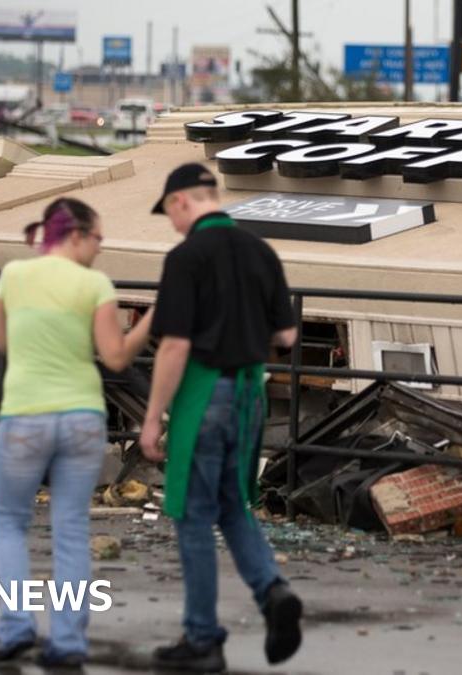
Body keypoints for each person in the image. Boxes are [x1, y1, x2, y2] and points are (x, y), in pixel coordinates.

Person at [140, 163, 302, 673]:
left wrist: (151, 420)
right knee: (234, 506)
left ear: (182, 201)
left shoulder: (186, 257)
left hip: (204, 393)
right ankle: (273, 590)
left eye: (169, 212)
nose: (171, 223)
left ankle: (203, 638)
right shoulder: (261, 251)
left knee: (191, 515)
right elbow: (288, 337)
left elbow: (174, 345)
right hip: (250, 394)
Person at [0, 197, 154, 668]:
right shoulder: (95, 285)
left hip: (24, 414)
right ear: (76, 235)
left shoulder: (14, 276)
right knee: (70, 529)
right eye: (98, 239)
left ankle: (16, 627)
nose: (100, 250)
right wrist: (147, 325)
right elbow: (117, 358)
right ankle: (66, 643)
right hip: (81, 416)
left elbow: (1, 342)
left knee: (9, 523)